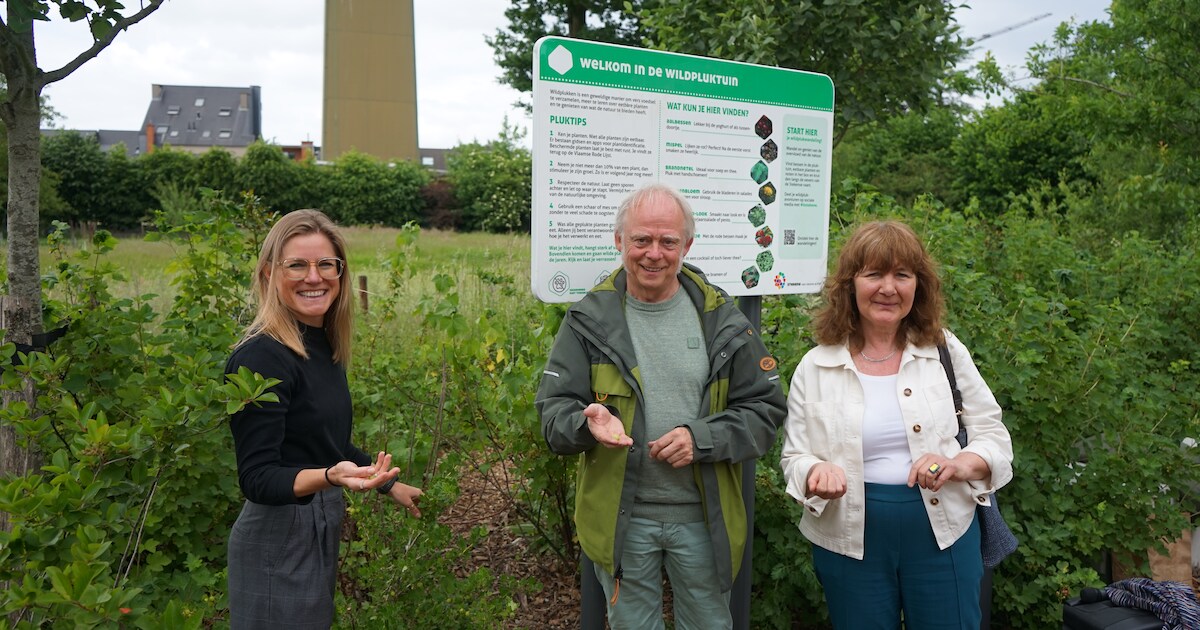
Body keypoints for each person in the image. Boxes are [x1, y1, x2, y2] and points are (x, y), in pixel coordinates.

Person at [536, 183, 787, 629]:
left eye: (668, 241)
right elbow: (554, 414)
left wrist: (701, 438)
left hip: (703, 521)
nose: (654, 253)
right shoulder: (588, 321)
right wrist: (584, 423)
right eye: (641, 240)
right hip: (623, 523)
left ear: (686, 245)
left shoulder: (722, 320)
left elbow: (765, 409)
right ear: (619, 241)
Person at [780, 220, 1013, 629]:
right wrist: (815, 472)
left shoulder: (944, 350)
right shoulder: (816, 365)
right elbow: (794, 456)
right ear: (850, 284)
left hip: (945, 534)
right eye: (874, 274)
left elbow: (993, 436)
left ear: (917, 286)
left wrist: (957, 465)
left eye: (902, 275)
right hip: (849, 541)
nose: (888, 288)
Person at [225, 209, 423, 630]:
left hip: (316, 520)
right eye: (296, 264)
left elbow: (328, 444)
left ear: (340, 272)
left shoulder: (320, 343)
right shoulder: (261, 356)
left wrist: (388, 483)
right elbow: (257, 478)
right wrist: (331, 477)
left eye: (325, 264)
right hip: (276, 537)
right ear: (268, 275)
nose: (313, 277)